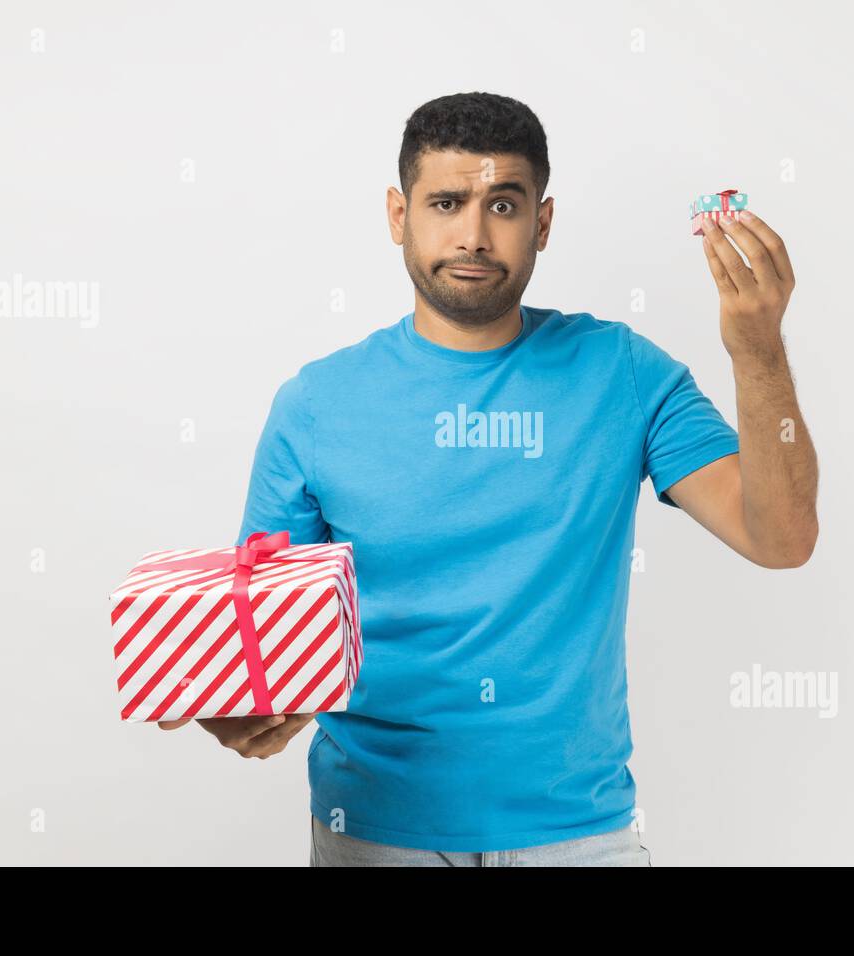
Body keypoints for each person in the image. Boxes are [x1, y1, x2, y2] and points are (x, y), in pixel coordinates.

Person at [160, 91, 819, 866]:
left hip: (580, 834)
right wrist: (245, 706)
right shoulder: (316, 406)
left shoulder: (625, 374)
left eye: (502, 204)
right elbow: (275, 641)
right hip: (376, 830)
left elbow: (781, 538)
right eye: (446, 202)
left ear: (541, 223)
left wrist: (757, 350)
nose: (473, 234)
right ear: (398, 215)